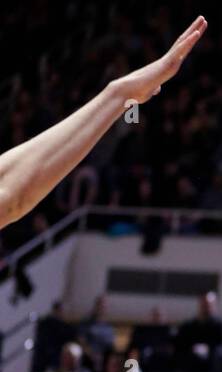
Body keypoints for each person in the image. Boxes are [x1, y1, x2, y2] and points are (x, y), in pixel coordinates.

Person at [0, 18, 207, 229]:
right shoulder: (93, 87)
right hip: (89, 148)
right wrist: (122, 96)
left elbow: (133, 124)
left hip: (115, 152)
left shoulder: (132, 103)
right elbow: (12, 195)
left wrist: (127, 100)